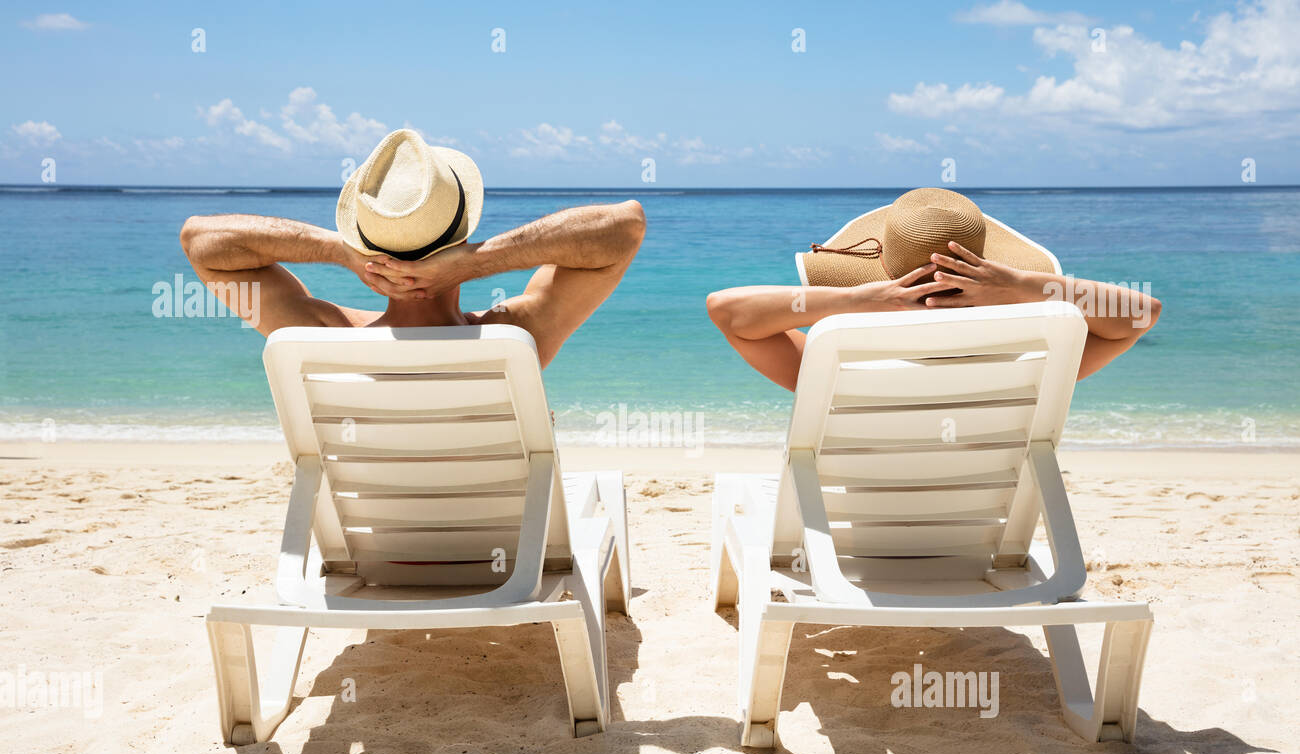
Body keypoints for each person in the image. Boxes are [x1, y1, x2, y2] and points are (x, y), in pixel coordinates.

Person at [180, 128, 644, 367]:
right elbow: (624, 227)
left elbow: (201, 241)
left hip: (369, 548)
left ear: (364, 238)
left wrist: (338, 251)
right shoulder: (517, 338)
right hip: (496, 548)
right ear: (461, 233)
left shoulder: (324, 338)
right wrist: (476, 262)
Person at [706, 187, 1160, 390]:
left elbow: (727, 311)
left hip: (855, 534)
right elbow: (1141, 313)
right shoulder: (1027, 371)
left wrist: (860, 300)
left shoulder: (837, 368)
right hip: (983, 528)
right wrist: (1021, 285)